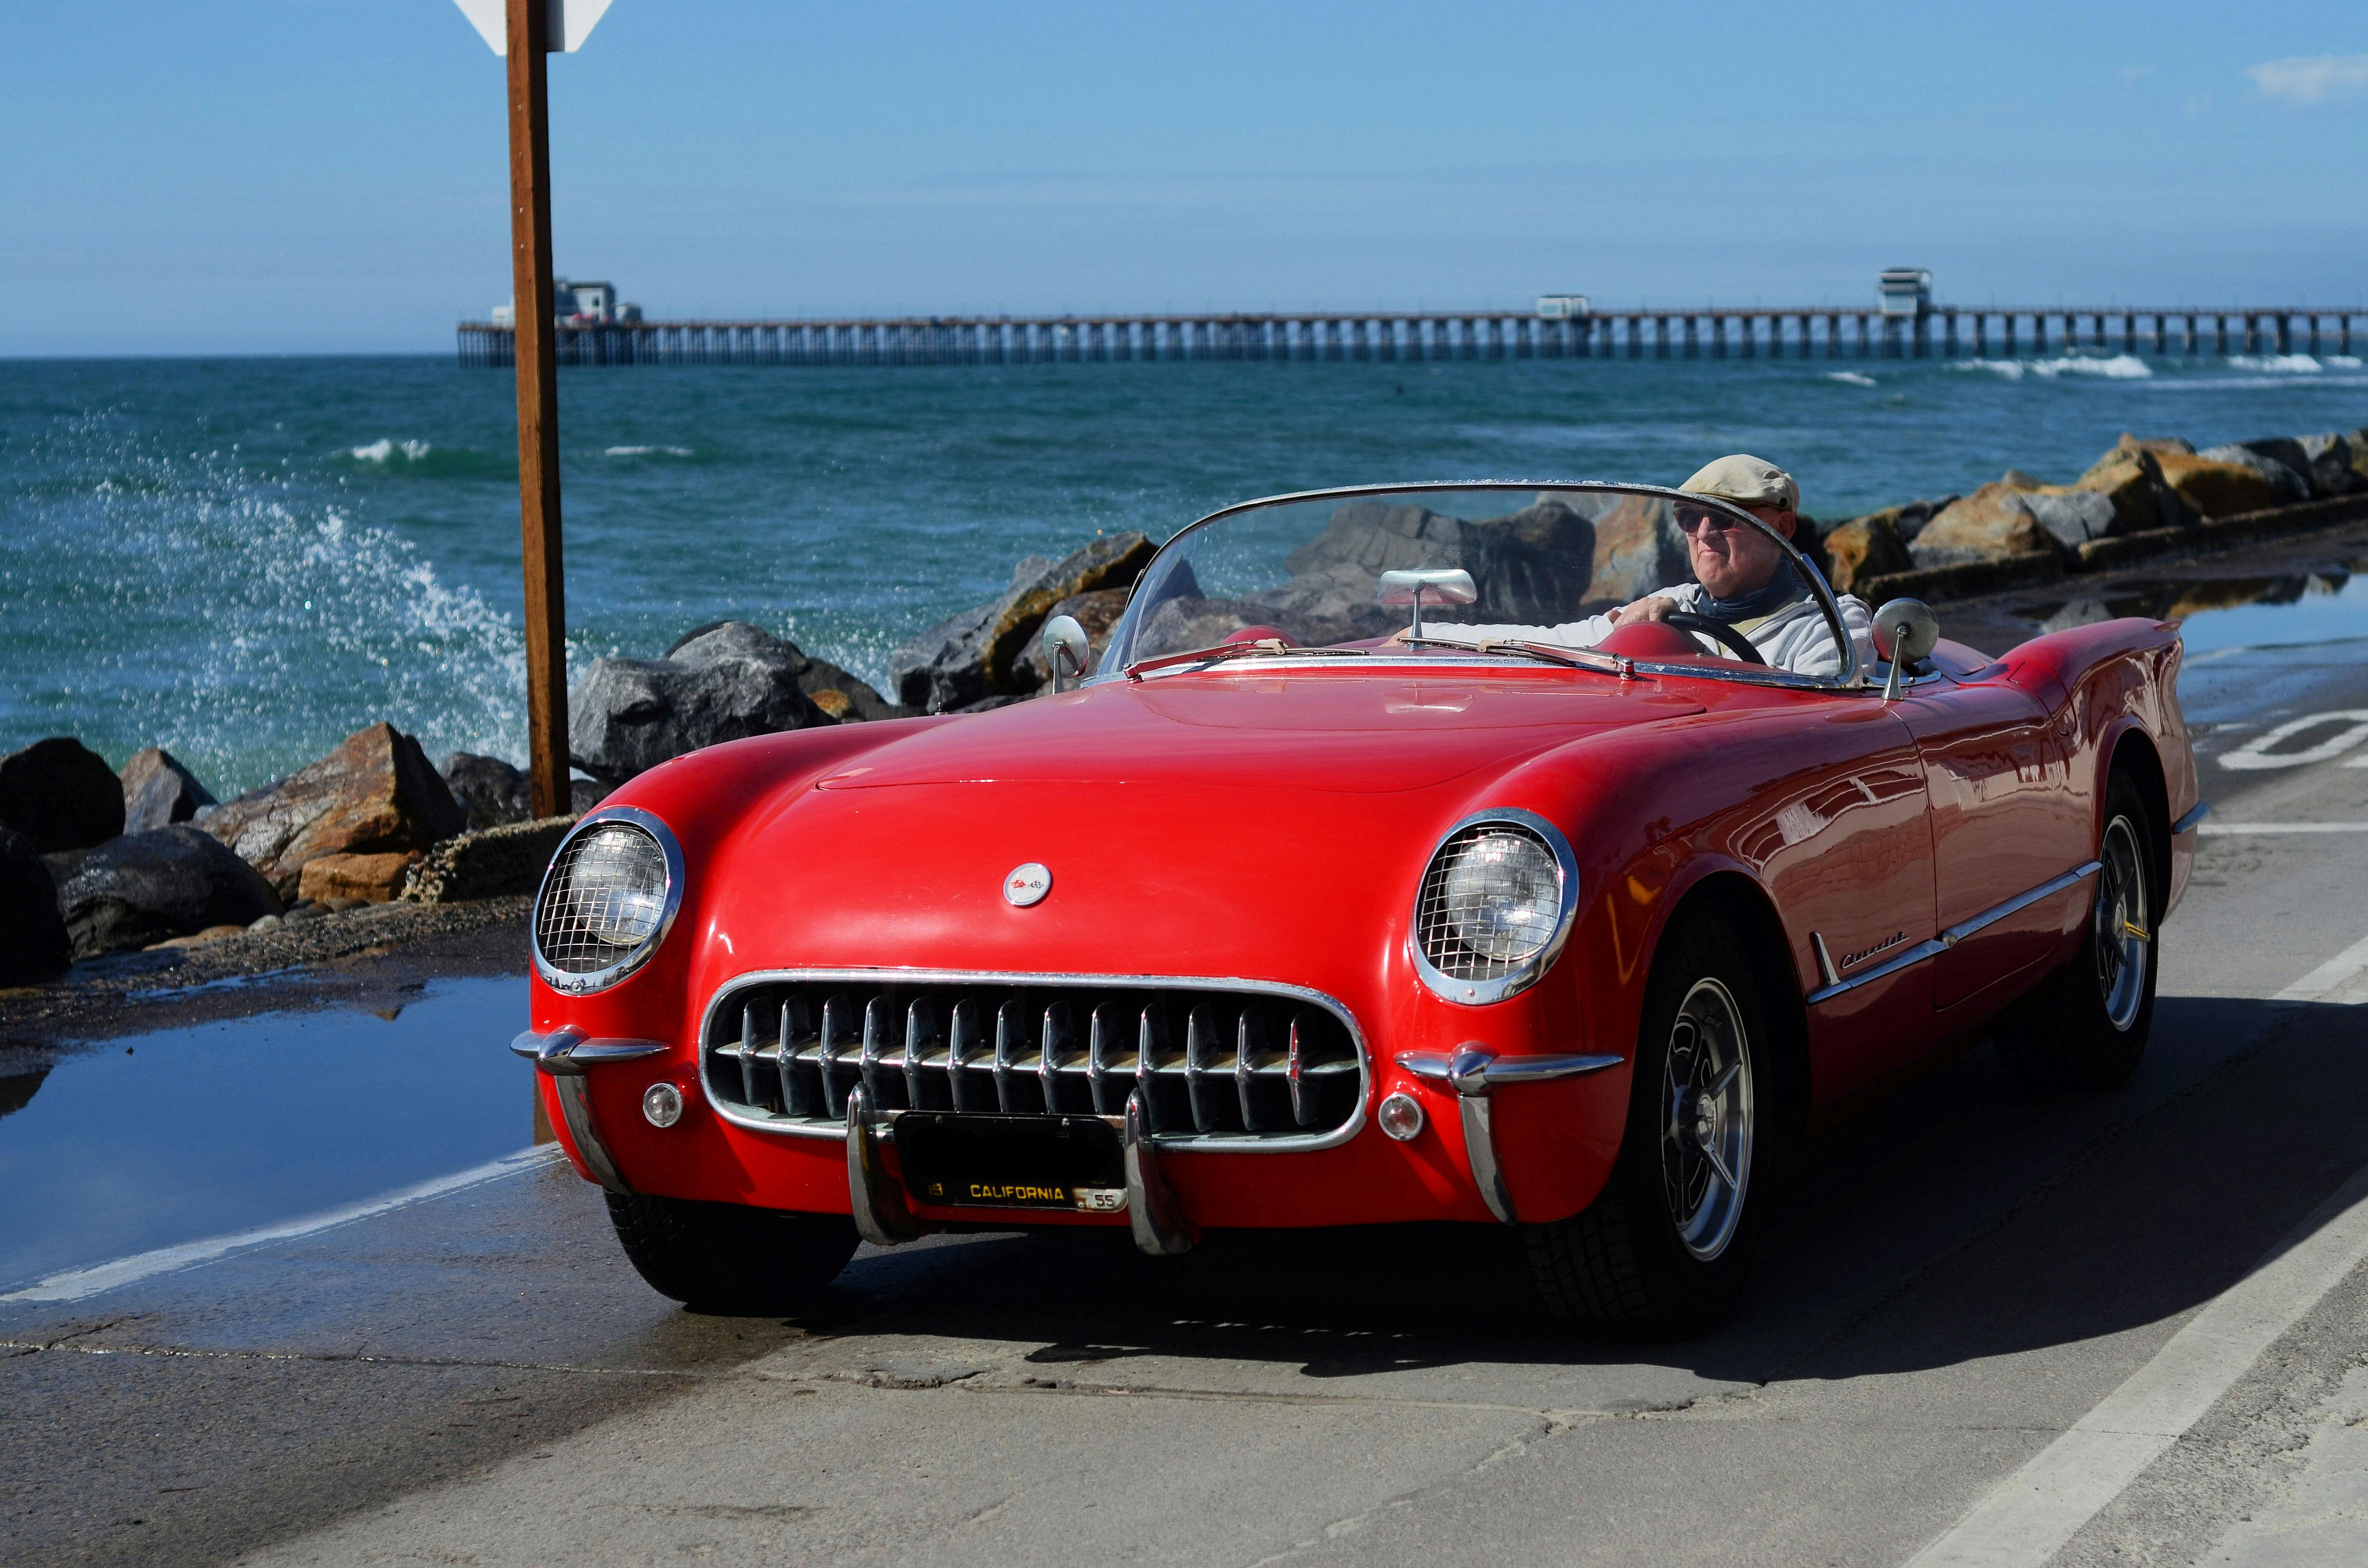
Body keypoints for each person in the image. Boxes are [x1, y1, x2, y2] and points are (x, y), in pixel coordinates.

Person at [1422, 455, 1877, 678]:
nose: (1703, 532)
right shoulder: (1674, 604)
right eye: (1688, 518)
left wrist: (1677, 650)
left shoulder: (1831, 624)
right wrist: (1425, 635)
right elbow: (1549, 642)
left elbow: (1816, 724)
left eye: (1725, 518)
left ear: (1783, 526)